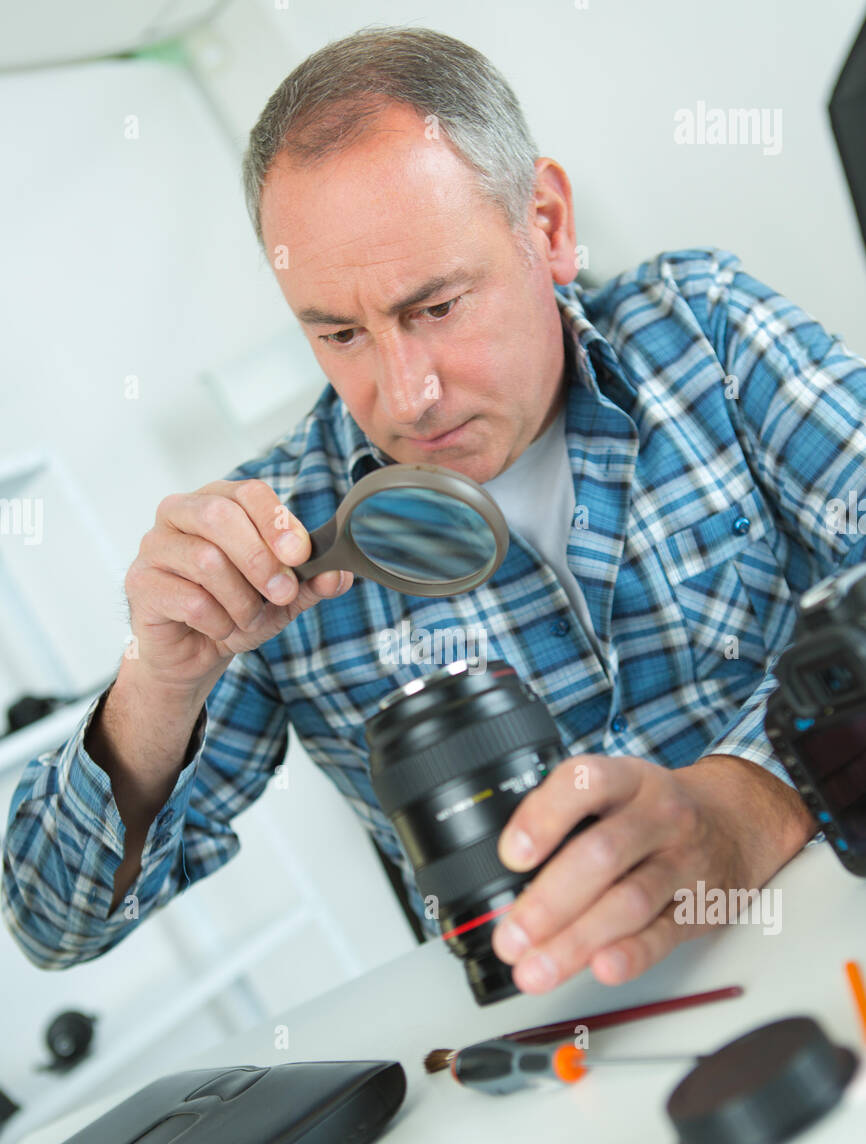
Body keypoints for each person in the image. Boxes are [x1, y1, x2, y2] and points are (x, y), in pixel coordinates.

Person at [3, 26, 864, 996]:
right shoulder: (275, 538)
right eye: (338, 332)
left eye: (436, 307)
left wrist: (753, 798)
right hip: (567, 1038)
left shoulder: (701, 335)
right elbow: (50, 925)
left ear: (543, 224)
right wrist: (157, 680)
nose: (404, 393)